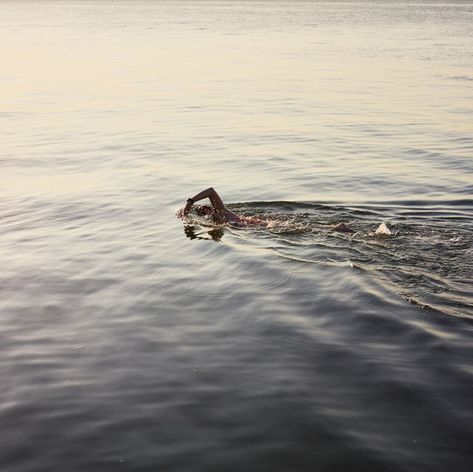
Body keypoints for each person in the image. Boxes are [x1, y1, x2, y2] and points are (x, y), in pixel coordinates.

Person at [177, 187, 354, 232]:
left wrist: (190, 202)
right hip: (258, 225)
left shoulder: (220, 212)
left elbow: (211, 190)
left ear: (208, 209)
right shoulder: (218, 220)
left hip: (259, 226)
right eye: (204, 212)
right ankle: (334, 228)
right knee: (297, 228)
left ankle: (336, 228)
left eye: (205, 210)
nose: (206, 212)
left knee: (298, 229)